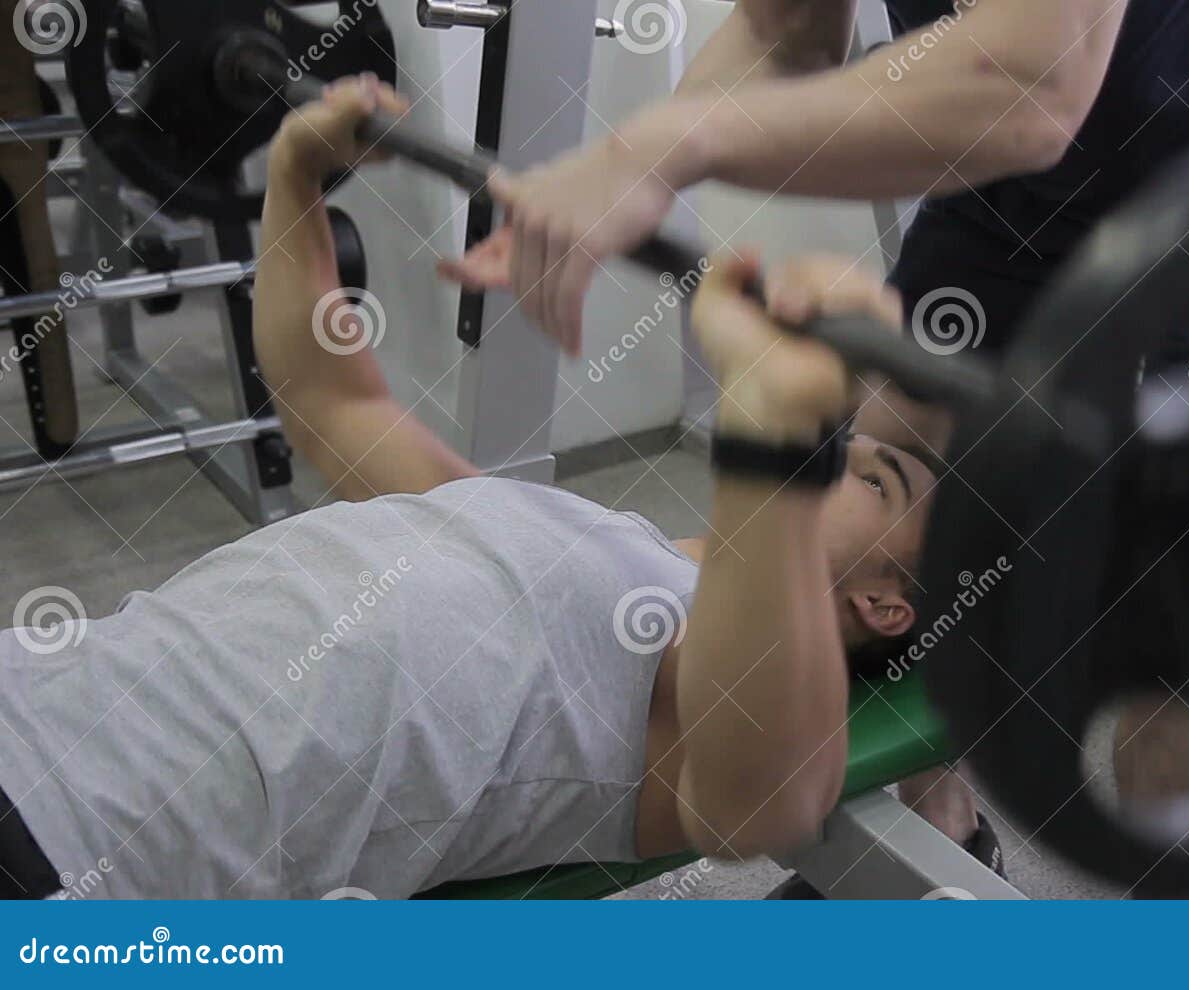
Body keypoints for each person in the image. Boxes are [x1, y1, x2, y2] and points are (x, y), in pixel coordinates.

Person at [437, 0, 1189, 891]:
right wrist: (627, 174)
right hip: (1023, 179)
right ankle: (942, 820)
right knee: (904, 478)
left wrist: (658, 149)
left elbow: (1033, 86)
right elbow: (786, 35)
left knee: (1149, 625)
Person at [0, 79, 938, 899]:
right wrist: (295, 175)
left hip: (85, 844)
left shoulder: (711, 668)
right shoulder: (570, 525)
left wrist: (779, 445)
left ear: (885, 605)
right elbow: (332, 401)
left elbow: (761, 802)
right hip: (46, 684)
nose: (850, 448)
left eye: (875, 474)